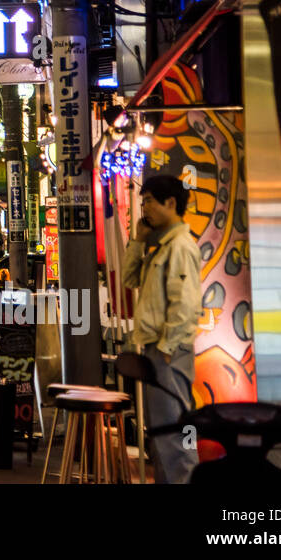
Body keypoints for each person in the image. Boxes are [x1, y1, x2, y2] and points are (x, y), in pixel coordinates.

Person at [121, 174, 202, 484]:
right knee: (161, 436)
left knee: (174, 435)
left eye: (150, 201)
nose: (145, 209)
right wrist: (138, 241)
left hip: (169, 352)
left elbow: (185, 306)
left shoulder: (180, 246)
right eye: (143, 202)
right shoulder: (160, 245)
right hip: (157, 350)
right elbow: (130, 279)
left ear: (171, 203)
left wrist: (166, 350)